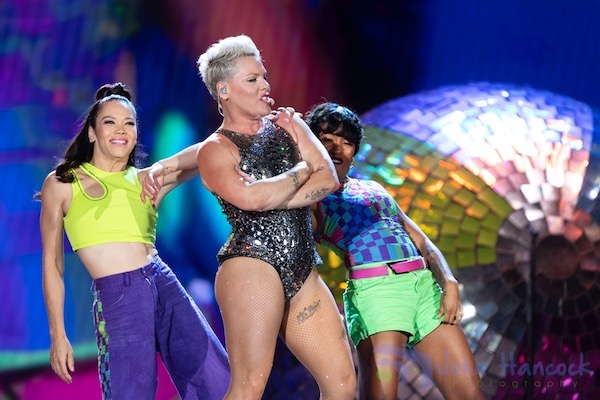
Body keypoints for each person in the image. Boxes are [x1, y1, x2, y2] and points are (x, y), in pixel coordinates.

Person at [38, 82, 230, 400]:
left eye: (129, 123)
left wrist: (163, 167)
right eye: (110, 122)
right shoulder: (62, 184)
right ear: (91, 133)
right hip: (119, 297)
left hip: (163, 282)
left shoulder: (146, 180)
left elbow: (207, 150)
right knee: (130, 392)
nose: (121, 130)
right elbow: (52, 265)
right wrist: (58, 335)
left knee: (213, 376)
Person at [193, 35, 356, 399]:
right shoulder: (215, 150)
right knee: (250, 385)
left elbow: (328, 178)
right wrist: (302, 169)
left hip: (302, 266)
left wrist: (276, 192)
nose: (265, 86)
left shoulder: (288, 126)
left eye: (264, 77)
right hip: (252, 263)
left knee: (343, 384)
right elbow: (251, 199)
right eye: (252, 79)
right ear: (224, 90)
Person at [305, 102, 484, 400]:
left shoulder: (374, 187)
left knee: (470, 394)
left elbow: (420, 239)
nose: (337, 148)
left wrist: (449, 281)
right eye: (327, 139)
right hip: (377, 294)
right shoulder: (312, 198)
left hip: (425, 290)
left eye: (346, 142)